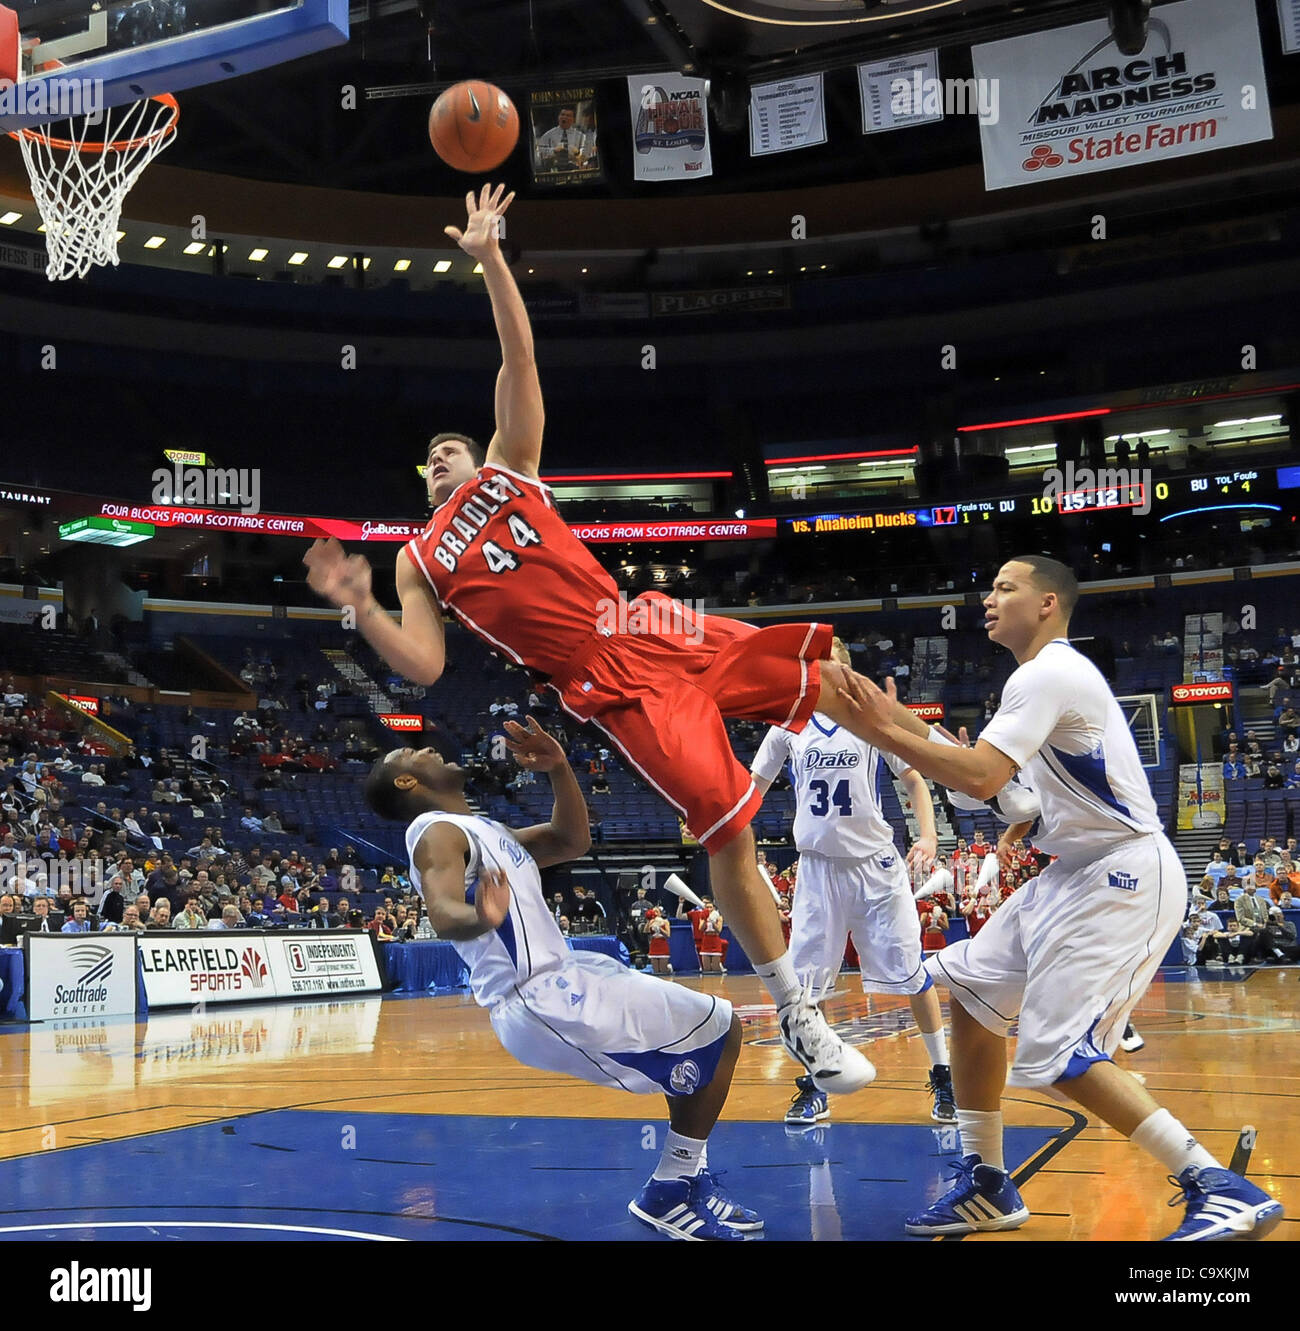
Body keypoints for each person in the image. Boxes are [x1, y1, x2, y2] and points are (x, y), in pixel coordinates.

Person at [304, 184, 879, 1098]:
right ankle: (799, 1015)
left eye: (455, 446)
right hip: (599, 672)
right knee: (724, 820)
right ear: (423, 483)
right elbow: (425, 666)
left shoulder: (511, 469)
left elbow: (520, 353)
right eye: (432, 457)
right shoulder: (417, 559)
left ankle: (959, 764)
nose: (443, 456)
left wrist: (492, 257)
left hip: (643, 619)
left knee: (825, 663)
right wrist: (362, 603)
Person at [834, 555, 1282, 1241]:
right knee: (975, 994)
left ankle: (1217, 1183)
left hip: (1123, 873)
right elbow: (1001, 785)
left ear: (1048, 603)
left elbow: (982, 775)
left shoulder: (1049, 672)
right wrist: (863, 695)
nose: (987, 597)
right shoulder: (1034, 684)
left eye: (1004, 587)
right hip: (1071, 872)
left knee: (1056, 1054)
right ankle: (986, 1180)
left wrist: (879, 730)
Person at [363, 717, 760, 1240]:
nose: (430, 749)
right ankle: (671, 1187)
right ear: (406, 783)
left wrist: (559, 769)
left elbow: (569, 840)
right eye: (413, 756)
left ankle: (680, 1180)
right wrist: (484, 916)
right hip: (540, 1001)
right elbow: (441, 912)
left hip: (569, 975)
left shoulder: (488, 832)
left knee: (714, 1028)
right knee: (710, 1037)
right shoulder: (433, 831)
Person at [751, 636, 955, 1128]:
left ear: (847, 674)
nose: (823, 676)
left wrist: (927, 834)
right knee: (806, 986)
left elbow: (913, 777)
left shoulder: (870, 721)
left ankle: (944, 1075)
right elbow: (753, 785)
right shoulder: (788, 723)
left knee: (912, 973)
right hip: (818, 867)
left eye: (830, 668)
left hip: (874, 865)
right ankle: (814, 1086)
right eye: (815, 668)